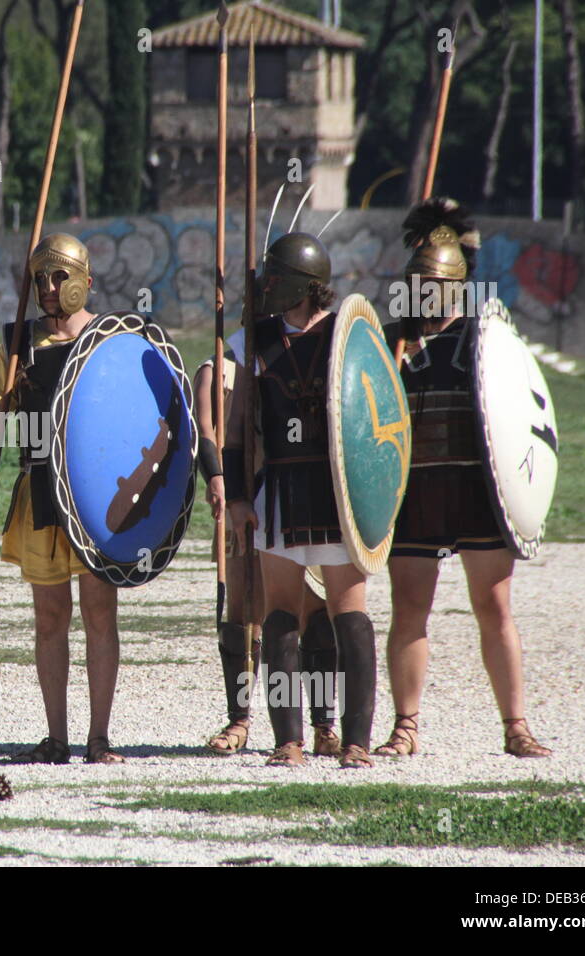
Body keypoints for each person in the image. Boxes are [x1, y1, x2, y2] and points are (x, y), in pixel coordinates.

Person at [376, 198, 550, 759]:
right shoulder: (390, 339)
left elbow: (512, 403)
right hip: (416, 489)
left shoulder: (484, 337)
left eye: (436, 283)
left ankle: (516, 726)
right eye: (418, 282)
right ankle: (406, 727)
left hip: (479, 488)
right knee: (409, 609)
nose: (427, 294)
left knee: (494, 607)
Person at [222, 232, 379, 769]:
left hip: (338, 490)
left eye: (277, 278)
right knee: (280, 617)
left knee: (349, 616)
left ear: (309, 287)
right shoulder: (255, 341)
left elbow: (377, 416)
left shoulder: (346, 336)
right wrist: (239, 496)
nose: (268, 287)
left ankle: (355, 741)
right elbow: (238, 426)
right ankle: (287, 740)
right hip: (281, 489)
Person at [0, 233, 123, 765]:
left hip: (95, 497)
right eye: (41, 277)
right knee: (50, 617)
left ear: (84, 279)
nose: (50, 287)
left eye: (60, 276)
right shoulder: (21, 343)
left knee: (100, 613)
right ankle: (56, 737)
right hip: (40, 490)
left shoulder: (108, 338)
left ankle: (99, 738)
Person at [194, 330, 339, 758]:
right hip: (245, 503)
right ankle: (240, 719)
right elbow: (206, 429)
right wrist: (218, 478)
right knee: (243, 614)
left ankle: (325, 723)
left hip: (294, 500)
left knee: (314, 610)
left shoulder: (292, 358)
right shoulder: (219, 369)